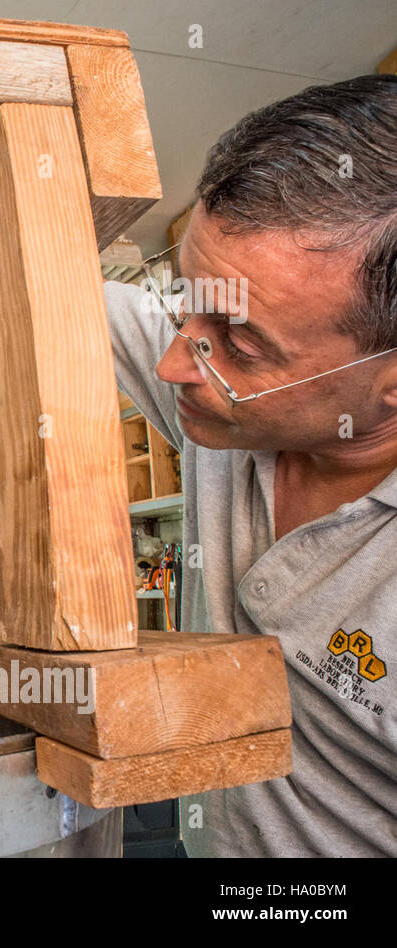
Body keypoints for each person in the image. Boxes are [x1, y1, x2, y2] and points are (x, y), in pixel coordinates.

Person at [106, 73, 397, 856]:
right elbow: (67, 290)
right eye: (182, 304)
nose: (174, 364)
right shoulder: (221, 410)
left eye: (239, 345)